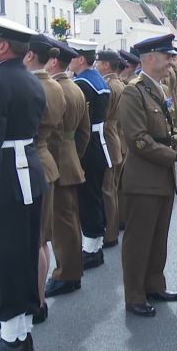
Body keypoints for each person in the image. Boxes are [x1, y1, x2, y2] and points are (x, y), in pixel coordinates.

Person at [0, 12, 47, 351]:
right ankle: (21, 333)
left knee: (3, 259)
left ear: (3, 46)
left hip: (6, 177)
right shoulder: (34, 79)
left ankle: (11, 338)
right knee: (23, 256)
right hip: (30, 176)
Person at [118, 34, 177, 317]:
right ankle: (135, 294)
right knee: (139, 239)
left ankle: (154, 284)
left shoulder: (159, 90)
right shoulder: (132, 92)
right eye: (166, 57)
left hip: (162, 178)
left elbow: (171, 128)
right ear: (150, 59)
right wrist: (174, 156)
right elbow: (138, 139)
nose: (170, 63)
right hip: (142, 178)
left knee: (158, 236)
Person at [23, 35, 67, 325]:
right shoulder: (55, 86)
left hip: (33, 160)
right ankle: (39, 299)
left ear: (29, 56)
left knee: (35, 240)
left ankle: (37, 302)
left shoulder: (34, 86)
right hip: (47, 160)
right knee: (43, 239)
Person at [45, 41, 91, 298]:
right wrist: (75, 155)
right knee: (70, 219)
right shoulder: (74, 88)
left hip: (57, 161)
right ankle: (72, 270)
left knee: (62, 223)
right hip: (70, 158)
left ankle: (67, 274)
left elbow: (49, 134)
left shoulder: (55, 90)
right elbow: (83, 133)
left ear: (53, 61)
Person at [68, 39, 112, 269]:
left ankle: (91, 248)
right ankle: (96, 244)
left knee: (88, 199)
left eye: (72, 56)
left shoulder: (83, 84)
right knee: (93, 196)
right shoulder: (97, 80)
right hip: (99, 141)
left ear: (81, 59)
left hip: (89, 145)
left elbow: (80, 122)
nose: (69, 60)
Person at [95, 50, 125, 248]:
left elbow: (104, 116)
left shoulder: (109, 86)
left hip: (109, 137)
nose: (96, 64)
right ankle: (114, 226)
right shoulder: (120, 84)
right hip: (117, 138)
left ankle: (110, 233)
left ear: (106, 65)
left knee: (108, 191)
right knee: (112, 189)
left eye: (98, 62)